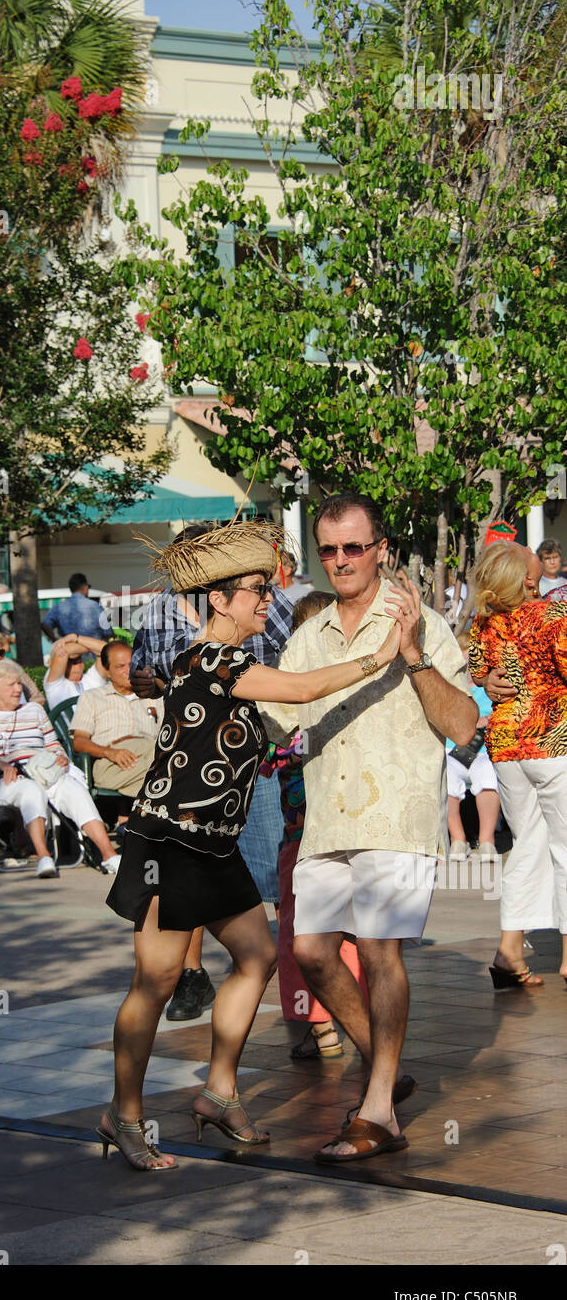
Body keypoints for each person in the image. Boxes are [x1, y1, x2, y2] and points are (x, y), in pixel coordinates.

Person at [99, 520, 404, 1172]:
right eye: (256, 589)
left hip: (212, 845)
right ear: (219, 599)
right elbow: (301, 689)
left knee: (257, 957)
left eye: (268, 587)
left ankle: (219, 1093)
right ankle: (123, 1117)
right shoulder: (217, 659)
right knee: (154, 980)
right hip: (171, 841)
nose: (268, 598)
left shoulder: (214, 664)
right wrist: (381, 656)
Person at [258, 493, 477, 1164]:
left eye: (355, 547)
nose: (342, 561)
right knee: (314, 951)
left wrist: (410, 654)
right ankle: (387, 1064)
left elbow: (463, 725)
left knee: (380, 951)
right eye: (329, 549)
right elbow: (272, 722)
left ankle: (379, 1108)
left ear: (380, 548)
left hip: (398, 814)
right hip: (328, 816)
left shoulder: (420, 621)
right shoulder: (310, 635)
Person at [130, 525, 296, 1023]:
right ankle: (190, 975)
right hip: (187, 782)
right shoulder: (161, 611)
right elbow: (144, 674)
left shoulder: (267, 601)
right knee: (158, 969)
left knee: (265, 881)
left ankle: (291, 1002)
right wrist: (148, 682)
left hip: (253, 762)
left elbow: (299, 667)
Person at [273, 590, 369, 1061]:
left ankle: (313, 1026)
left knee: (299, 933)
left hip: (305, 839)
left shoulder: (288, 695)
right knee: (345, 934)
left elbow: (277, 755)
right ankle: (343, 1022)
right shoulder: (349, 692)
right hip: (338, 835)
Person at [469, 541, 567, 989]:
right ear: (529, 579)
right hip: (552, 740)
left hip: (507, 746)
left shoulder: (484, 622)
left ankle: (509, 951)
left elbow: (476, 671)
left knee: (528, 841)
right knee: (564, 848)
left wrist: (492, 680)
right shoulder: (551, 617)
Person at [0, 660, 120, 878]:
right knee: (30, 790)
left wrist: (61, 758)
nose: (18, 689)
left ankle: (109, 855)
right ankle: (43, 856)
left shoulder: (34, 710)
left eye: (18, 683)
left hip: (45, 771)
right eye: (11, 685)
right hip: (4, 779)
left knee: (74, 790)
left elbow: (54, 745)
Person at [70, 641, 162, 817]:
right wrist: (109, 752)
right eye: (121, 666)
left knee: (164, 766)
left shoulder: (153, 696)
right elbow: (79, 742)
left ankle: (130, 824)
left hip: (149, 758)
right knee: (172, 771)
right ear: (107, 670)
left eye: (132, 664)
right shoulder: (92, 698)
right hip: (113, 762)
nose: (129, 670)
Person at [446, 634, 500, 860]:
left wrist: (485, 720)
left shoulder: (490, 685)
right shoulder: (449, 685)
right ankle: (458, 840)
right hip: (452, 749)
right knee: (446, 781)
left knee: (488, 777)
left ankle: (487, 841)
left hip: (482, 751)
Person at [42, 574, 113, 644]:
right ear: (85, 588)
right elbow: (107, 632)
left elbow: (44, 625)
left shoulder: (59, 607)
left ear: (71, 589)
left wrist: (55, 640)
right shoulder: (95, 606)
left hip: (68, 652)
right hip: (92, 652)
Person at [43, 635, 108, 711]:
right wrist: (93, 648)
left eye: (79, 659)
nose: (77, 664)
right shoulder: (54, 683)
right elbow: (65, 650)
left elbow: (108, 649)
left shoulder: (91, 678)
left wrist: (75, 638)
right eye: (70, 660)